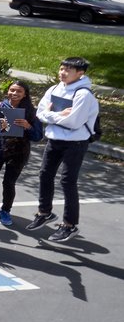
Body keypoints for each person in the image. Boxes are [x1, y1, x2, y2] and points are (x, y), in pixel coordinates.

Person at [29, 57, 100, 242]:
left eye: (68, 70)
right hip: (54, 140)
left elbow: (74, 122)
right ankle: (44, 212)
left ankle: (69, 225)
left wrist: (50, 115)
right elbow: (39, 113)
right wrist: (58, 115)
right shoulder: (54, 89)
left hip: (75, 143)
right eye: (61, 68)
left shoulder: (83, 94)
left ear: (80, 73)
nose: (62, 72)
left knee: (68, 182)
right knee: (45, 174)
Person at [0, 79, 43, 226]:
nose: (14, 93)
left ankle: (6, 211)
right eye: (12, 90)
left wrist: (28, 126)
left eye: (19, 91)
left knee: (9, 182)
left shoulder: (31, 113)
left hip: (17, 151)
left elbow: (37, 136)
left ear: (25, 94)